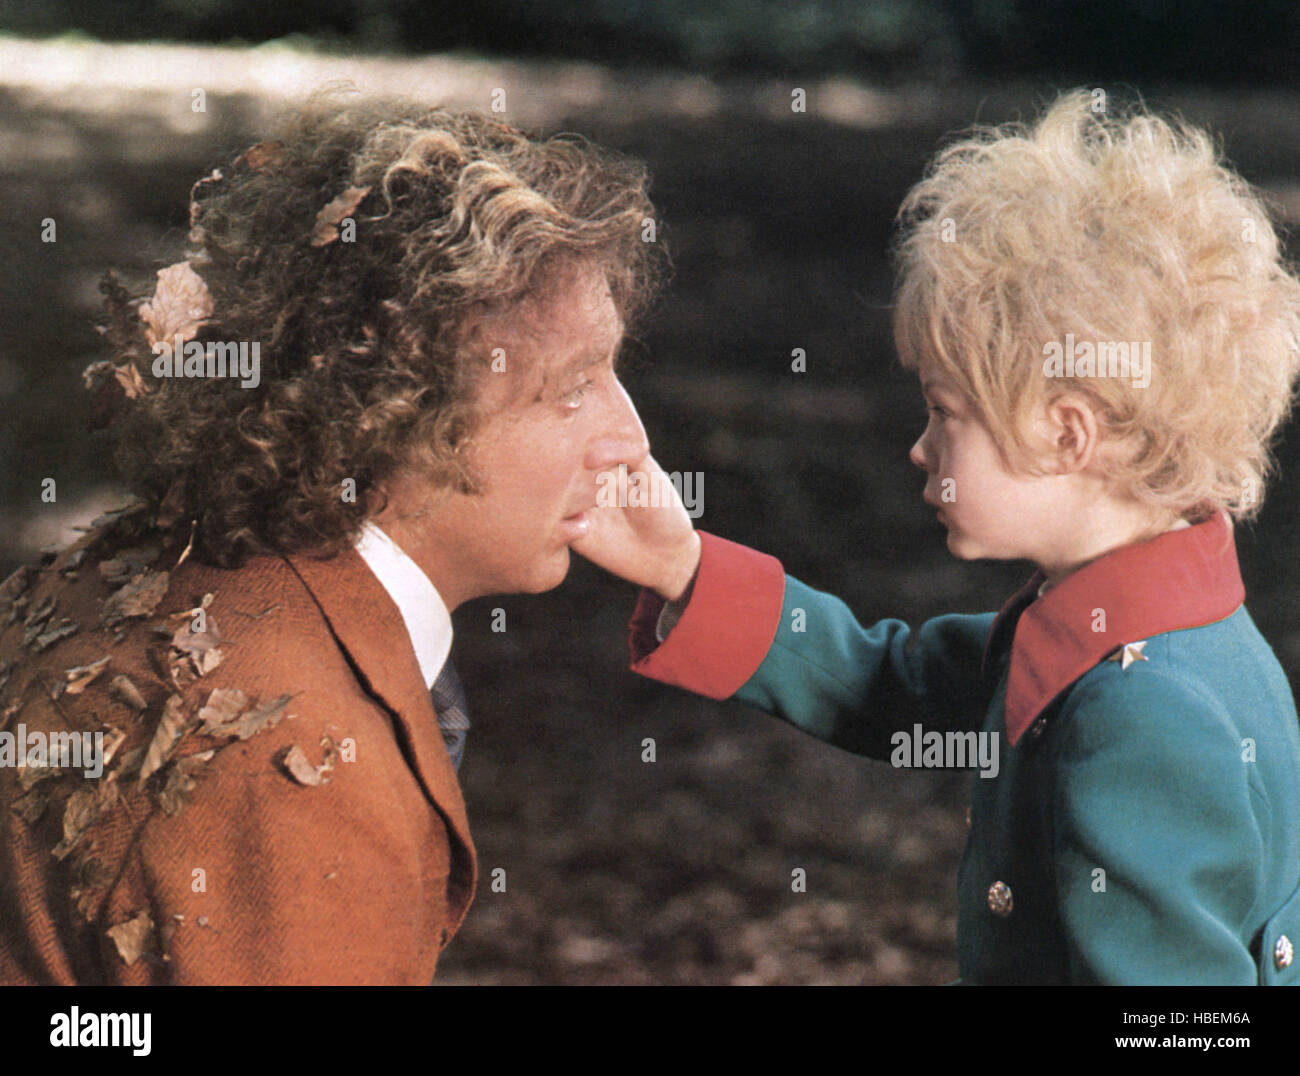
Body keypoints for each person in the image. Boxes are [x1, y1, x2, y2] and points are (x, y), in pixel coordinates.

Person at [575, 91, 1300, 984]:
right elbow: (892, 686)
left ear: (1067, 433)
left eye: (946, 412)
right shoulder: (1138, 625)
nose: (919, 447)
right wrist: (681, 567)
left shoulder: (1142, 713)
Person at [0, 95, 662, 984]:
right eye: (574, 387)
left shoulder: (123, 571)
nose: (632, 439)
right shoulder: (294, 764)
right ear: (400, 415)